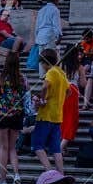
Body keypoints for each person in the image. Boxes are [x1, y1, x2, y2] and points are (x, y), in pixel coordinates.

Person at [0, 52, 27, 184]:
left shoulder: (1, 77)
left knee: (3, 148)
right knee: (12, 148)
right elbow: (25, 95)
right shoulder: (22, 78)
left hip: (2, 114)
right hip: (17, 115)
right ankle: (16, 174)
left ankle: (3, 180)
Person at [32, 48, 69, 176]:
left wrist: (42, 99)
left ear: (44, 62)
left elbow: (45, 86)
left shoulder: (51, 72)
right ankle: (61, 174)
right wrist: (58, 98)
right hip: (58, 116)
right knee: (56, 149)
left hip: (45, 115)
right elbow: (68, 92)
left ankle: (50, 172)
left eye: (42, 63)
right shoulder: (61, 72)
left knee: (37, 145)